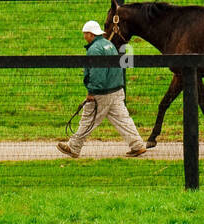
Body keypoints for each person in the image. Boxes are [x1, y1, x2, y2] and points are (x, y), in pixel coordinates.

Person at [57, 20, 148, 158]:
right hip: (116, 89)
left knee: (88, 119)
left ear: (90, 34)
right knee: (123, 119)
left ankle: (73, 147)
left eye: (85, 34)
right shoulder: (108, 44)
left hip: (102, 92)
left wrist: (91, 91)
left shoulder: (94, 49)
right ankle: (137, 145)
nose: (84, 37)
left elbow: (97, 73)